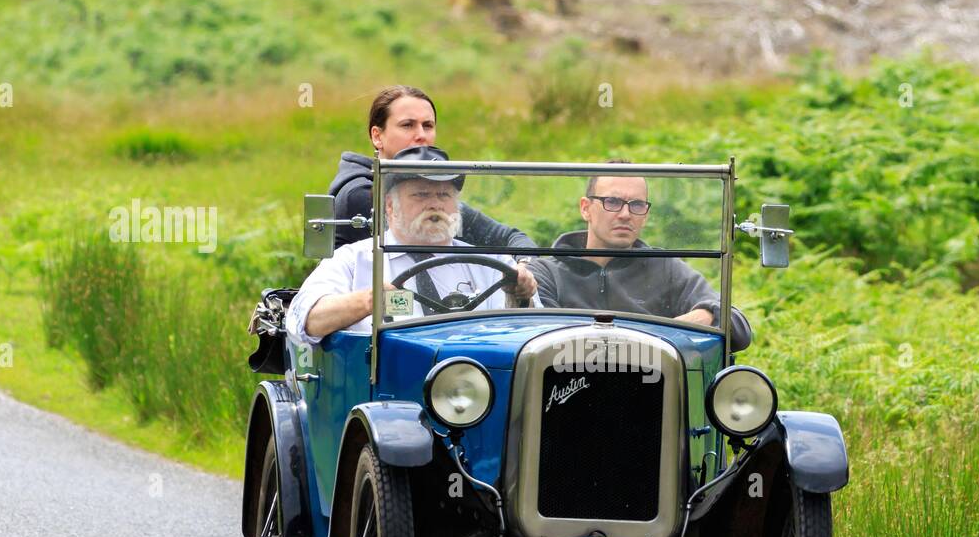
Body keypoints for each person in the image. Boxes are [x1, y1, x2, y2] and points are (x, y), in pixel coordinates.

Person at [288, 146, 538, 346]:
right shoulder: (355, 260)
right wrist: (369, 301)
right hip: (383, 394)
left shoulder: (493, 265)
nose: (435, 205)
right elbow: (303, 321)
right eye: (421, 194)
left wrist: (519, 295)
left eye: (444, 195)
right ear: (389, 206)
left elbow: (529, 338)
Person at [527, 165, 753, 351]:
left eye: (636, 205)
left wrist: (702, 317)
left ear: (645, 215)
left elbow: (737, 326)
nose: (625, 215)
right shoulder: (546, 273)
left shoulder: (665, 267)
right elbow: (539, 339)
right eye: (612, 202)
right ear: (586, 208)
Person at [328, 85, 533, 250]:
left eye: (428, 126)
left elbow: (508, 237)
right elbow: (412, 259)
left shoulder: (429, 186)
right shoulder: (361, 194)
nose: (421, 135)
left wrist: (525, 265)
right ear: (377, 136)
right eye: (407, 125)